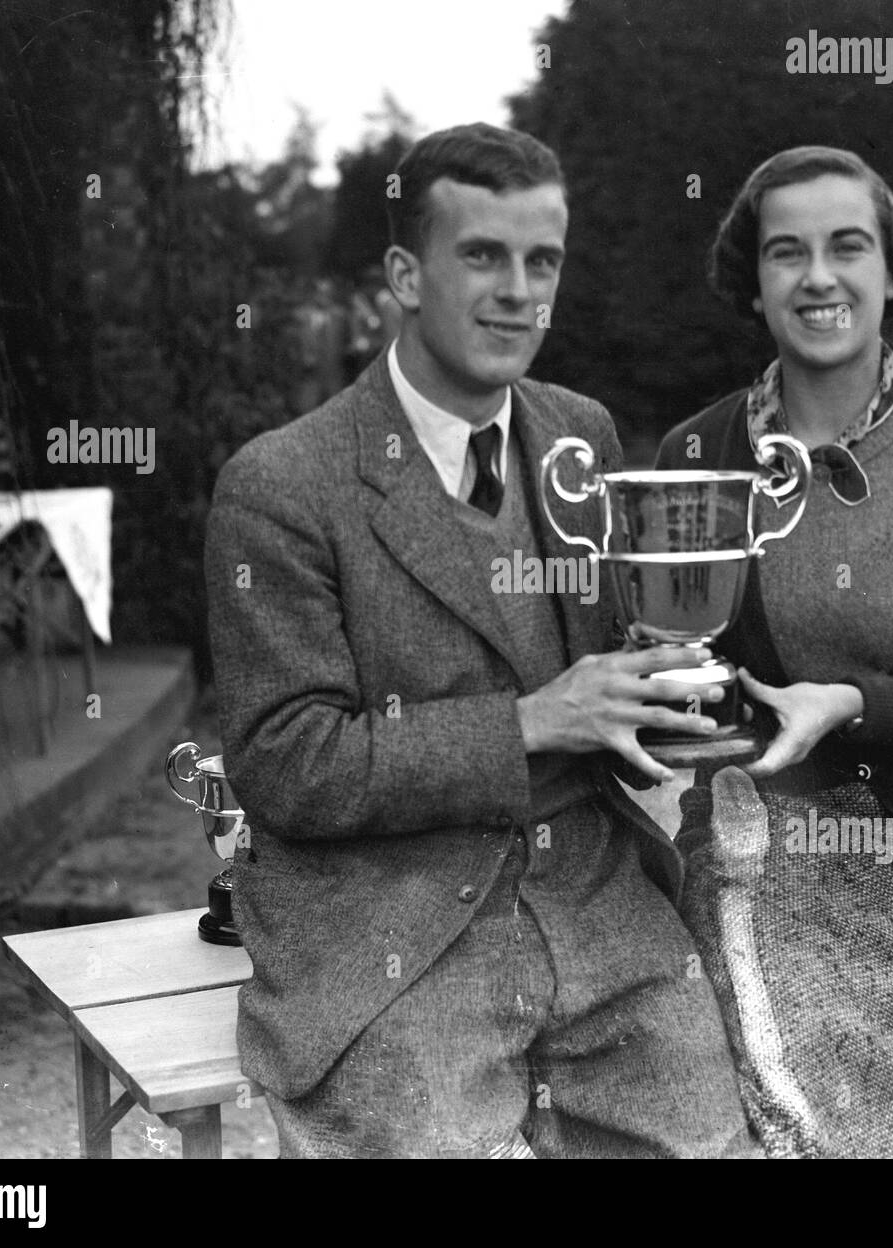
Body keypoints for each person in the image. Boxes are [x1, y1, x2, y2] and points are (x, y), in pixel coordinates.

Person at [204, 123, 752, 1158]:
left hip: (592, 898)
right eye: (482, 256)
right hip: (394, 932)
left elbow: (610, 654)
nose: (517, 291)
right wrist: (530, 725)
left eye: (540, 261)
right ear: (406, 275)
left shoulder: (578, 434)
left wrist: (675, 686)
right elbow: (284, 765)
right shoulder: (283, 487)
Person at [657, 146, 893, 1158]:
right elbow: (676, 666)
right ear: (754, 282)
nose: (817, 276)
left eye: (845, 246)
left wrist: (844, 704)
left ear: (888, 270)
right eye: (787, 252)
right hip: (761, 847)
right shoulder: (696, 459)